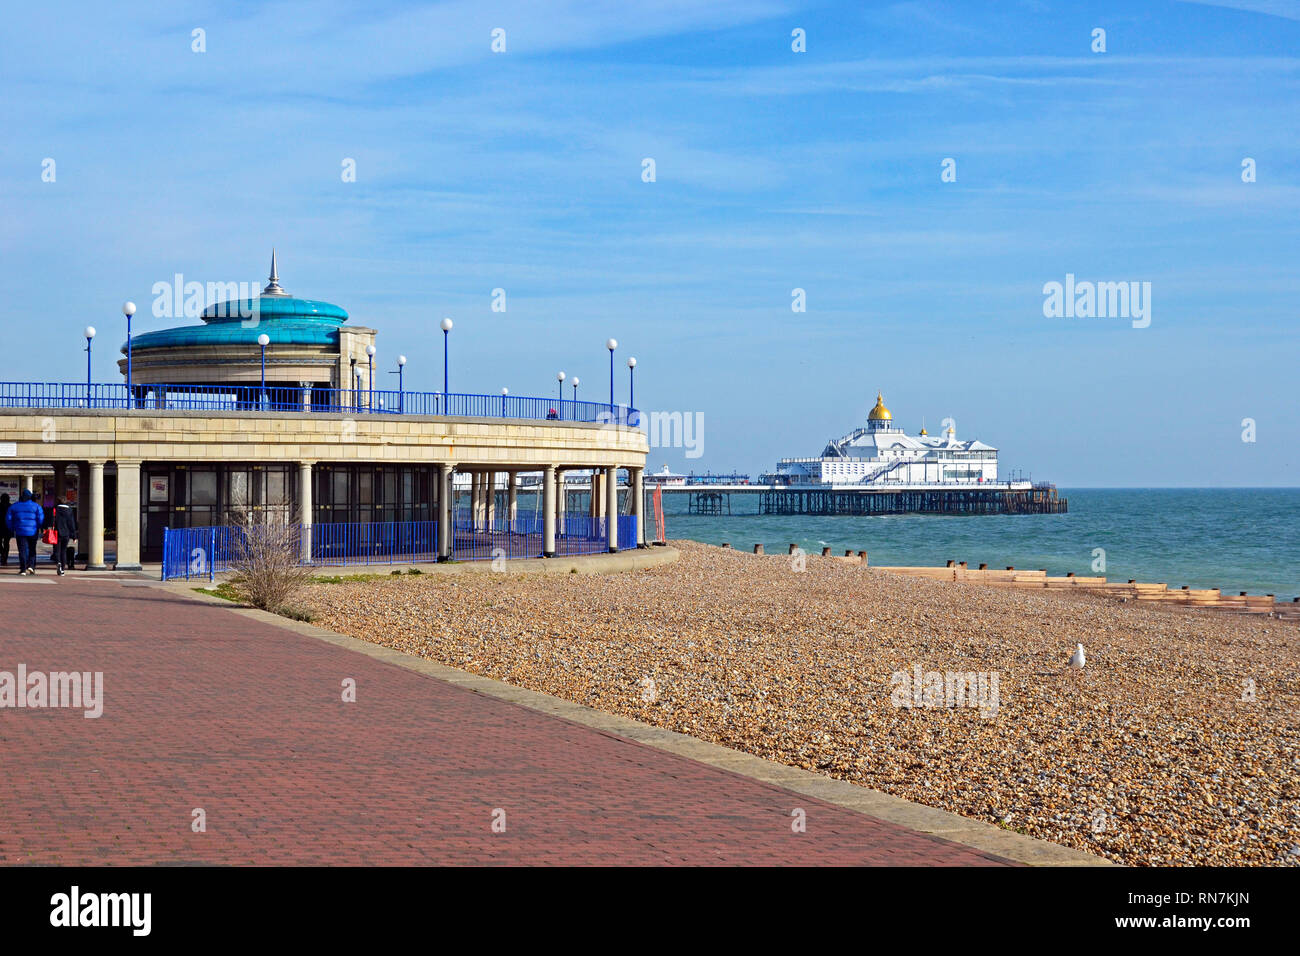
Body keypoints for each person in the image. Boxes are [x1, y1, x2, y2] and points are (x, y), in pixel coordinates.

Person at [4, 488, 44, 575]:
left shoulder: (14, 506)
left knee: (22, 550)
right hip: (33, 531)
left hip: (20, 531)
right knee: (32, 549)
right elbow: (40, 518)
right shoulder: (36, 506)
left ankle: (23, 569)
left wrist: (12, 528)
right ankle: (31, 566)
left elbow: (8, 519)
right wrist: (38, 527)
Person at [52, 496, 78, 575]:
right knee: (63, 551)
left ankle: (58, 562)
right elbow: (71, 524)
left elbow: (51, 521)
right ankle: (62, 569)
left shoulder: (55, 510)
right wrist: (74, 536)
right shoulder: (69, 510)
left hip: (56, 533)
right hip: (66, 534)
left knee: (56, 550)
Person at [0, 493, 10, 566]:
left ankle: (3, 555)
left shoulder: (10, 506)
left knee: (6, 543)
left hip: (3, 527)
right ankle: (4, 556)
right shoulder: (11, 506)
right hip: (7, 527)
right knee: (6, 543)